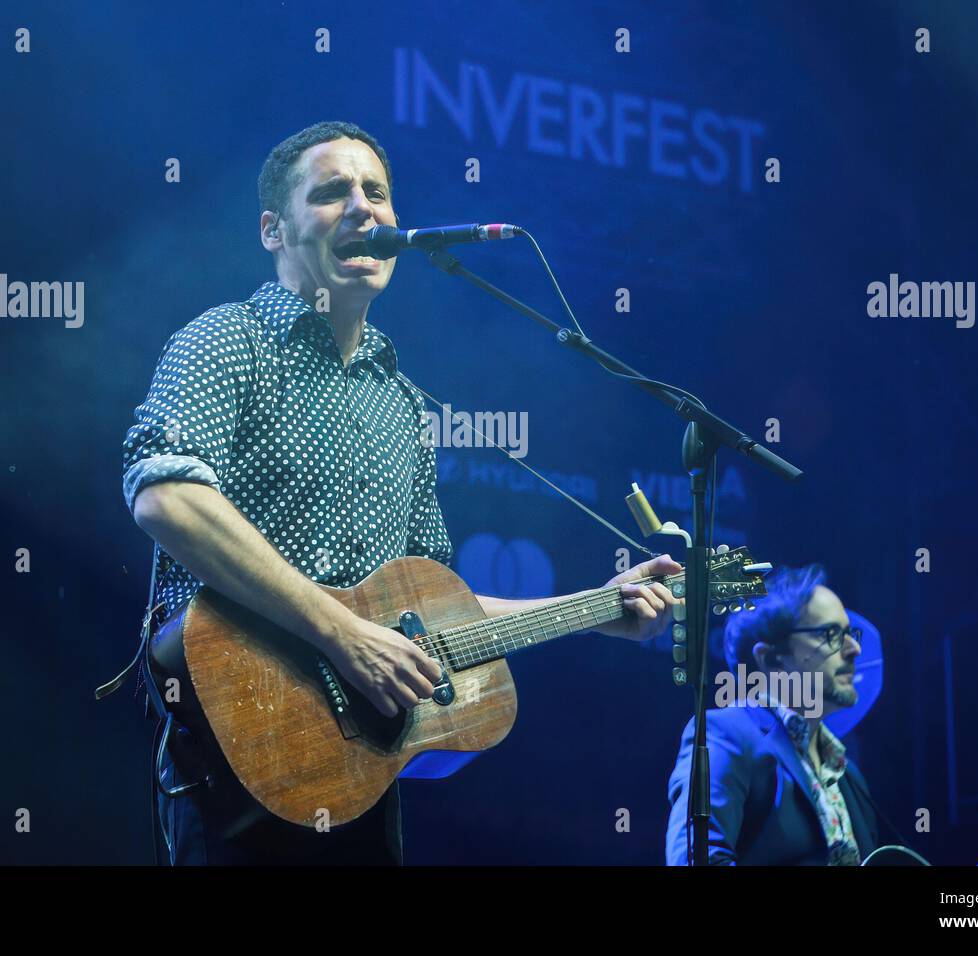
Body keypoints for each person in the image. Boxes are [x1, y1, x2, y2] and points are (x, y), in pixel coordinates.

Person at [123, 120, 682, 865]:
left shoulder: (405, 404)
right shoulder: (229, 340)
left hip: (359, 767)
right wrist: (344, 634)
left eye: (377, 192)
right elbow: (165, 494)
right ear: (273, 230)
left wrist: (597, 611)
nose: (363, 207)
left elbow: (432, 608)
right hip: (235, 751)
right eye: (331, 193)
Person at [665, 565, 978, 866]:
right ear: (771, 659)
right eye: (830, 635)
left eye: (849, 635)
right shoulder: (726, 733)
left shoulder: (847, 773)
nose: (854, 649)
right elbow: (694, 861)